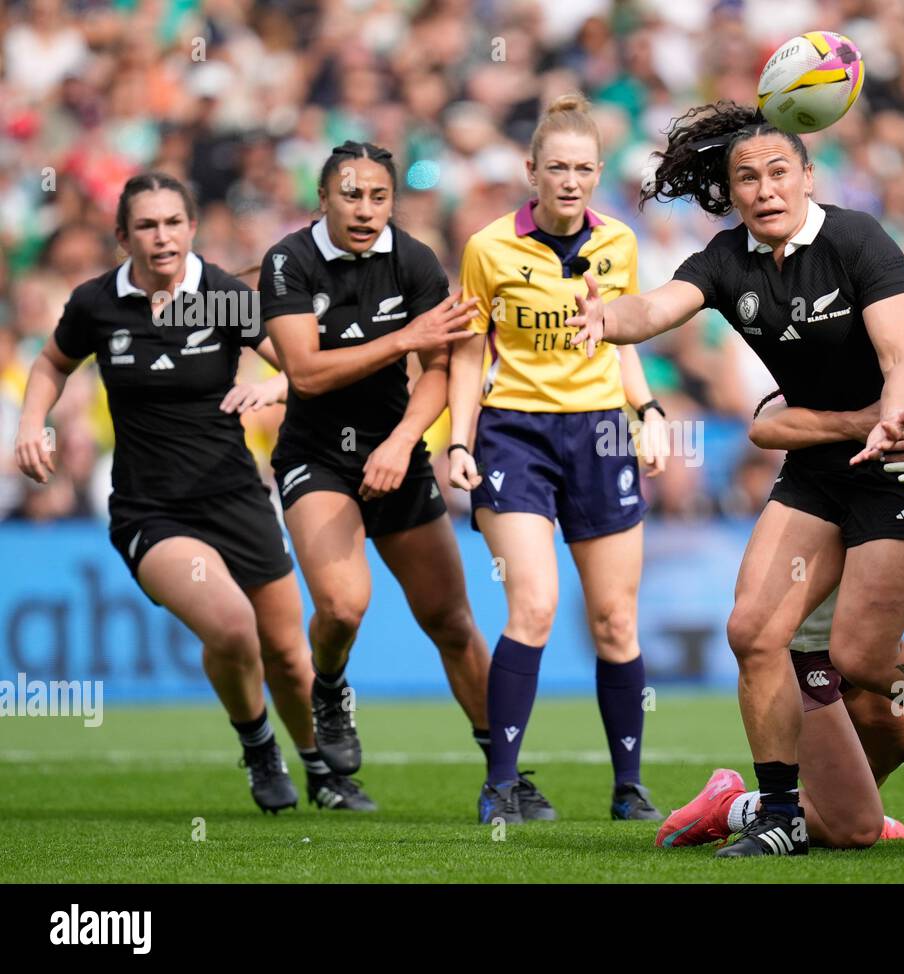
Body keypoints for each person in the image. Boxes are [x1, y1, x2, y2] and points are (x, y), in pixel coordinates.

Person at [569, 102, 904, 857]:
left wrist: (890, 419)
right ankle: (777, 814)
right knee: (752, 631)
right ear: (732, 191)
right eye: (747, 177)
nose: (765, 188)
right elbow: (657, 308)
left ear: (808, 177)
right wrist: (609, 319)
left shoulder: (856, 238)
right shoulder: (724, 260)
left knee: (863, 657)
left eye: (779, 172)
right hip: (819, 472)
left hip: (898, 463)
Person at [14, 171, 374, 813]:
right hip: (151, 510)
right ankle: (260, 748)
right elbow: (50, 364)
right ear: (123, 236)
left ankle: (322, 772)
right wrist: (30, 424)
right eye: (146, 226)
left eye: (173, 223)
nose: (161, 237)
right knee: (233, 628)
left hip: (236, 495)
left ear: (192, 228)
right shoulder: (97, 303)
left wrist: (277, 386)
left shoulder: (221, 296)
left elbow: (306, 371)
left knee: (290, 658)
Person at [656, 282, 904, 849]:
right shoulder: (837, 386)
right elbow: (765, 424)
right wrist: (856, 421)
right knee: (858, 830)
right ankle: (746, 806)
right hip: (807, 653)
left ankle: (834, 802)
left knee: (899, 737)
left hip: (859, 646)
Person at [448, 94, 667, 824]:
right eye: (556, 168)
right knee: (534, 605)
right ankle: (501, 784)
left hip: (601, 434)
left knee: (615, 620)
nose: (570, 181)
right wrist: (456, 438)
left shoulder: (621, 245)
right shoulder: (488, 249)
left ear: (599, 172)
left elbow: (624, 337)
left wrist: (650, 411)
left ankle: (628, 787)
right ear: (530, 170)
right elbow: (469, 348)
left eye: (582, 169)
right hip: (515, 434)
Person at [259, 141, 494, 807]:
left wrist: (402, 440)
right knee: (342, 605)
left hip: (395, 449)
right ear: (323, 199)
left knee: (451, 620)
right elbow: (303, 371)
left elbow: (440, 371)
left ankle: (502, 773)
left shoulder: (415, 260)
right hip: (315, 456)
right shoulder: (289, 261)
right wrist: (402, 339)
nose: (366, 209)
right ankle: (330, 688)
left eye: (379, 197)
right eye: (352, 195)